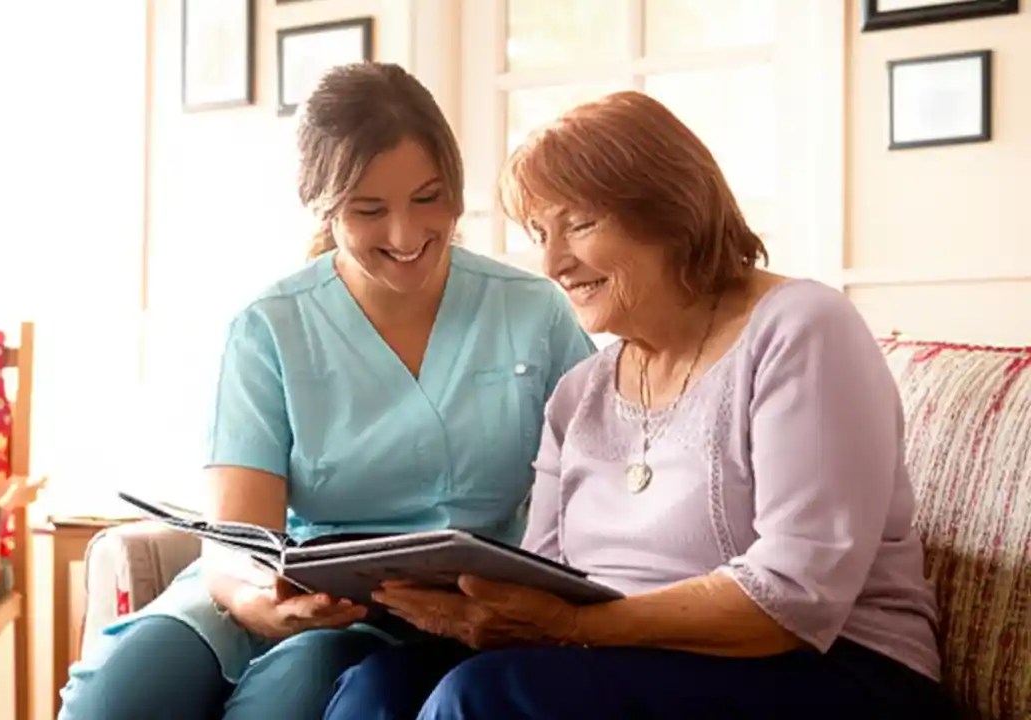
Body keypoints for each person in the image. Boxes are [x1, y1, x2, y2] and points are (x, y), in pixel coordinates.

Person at [323, 91, 955, 720]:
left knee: (490, 696)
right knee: (380, 685)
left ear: (668, 210)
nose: (553, 263)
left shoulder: (799, 328)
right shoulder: (581, 393)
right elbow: (542, 577)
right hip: (626, 654)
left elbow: (796, 597)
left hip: (833, 669)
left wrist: (571, 624)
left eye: (579, 225)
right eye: (541, 233)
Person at [56, 62, 596, 720]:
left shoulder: (534, 312)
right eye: (370, 211)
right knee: (121, 696)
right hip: (266, 591)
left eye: (430, 198)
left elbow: (599, 486)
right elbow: (237, 541)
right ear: (324, 204)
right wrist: (260, 603)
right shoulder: (271, 327)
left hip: (420, 617)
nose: (406, 235)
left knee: (290, 691)